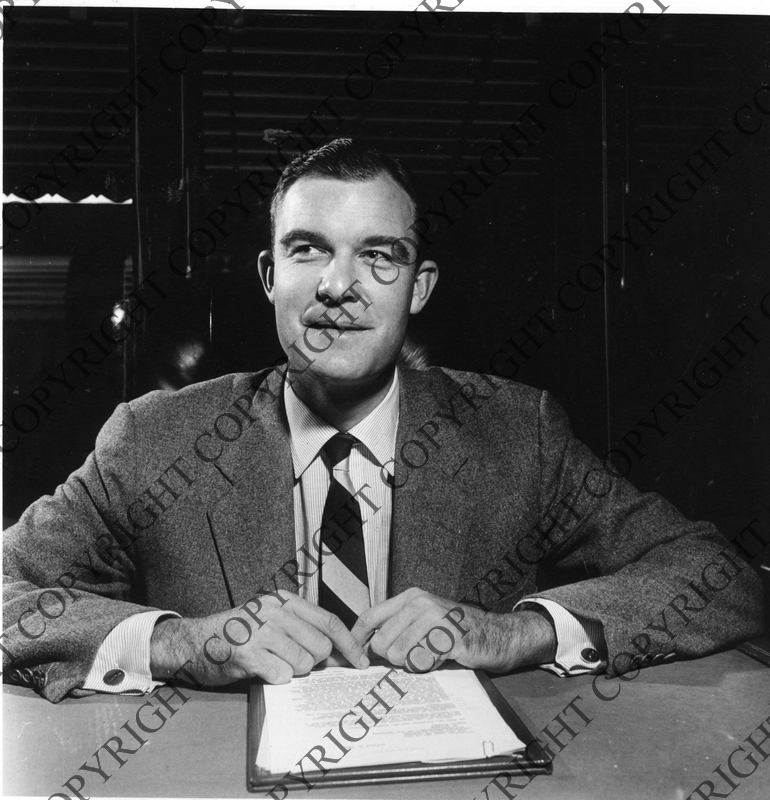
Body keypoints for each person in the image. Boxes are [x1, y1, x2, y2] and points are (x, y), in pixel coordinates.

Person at [2, 139, 763, 703]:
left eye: (379, 256)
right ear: (270, 277)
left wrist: (513, 631)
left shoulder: (514, 433)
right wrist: (181, 642)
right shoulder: (155, 439)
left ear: (419, 287)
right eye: (308, 250)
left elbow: (721, 579)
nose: (339, 285)